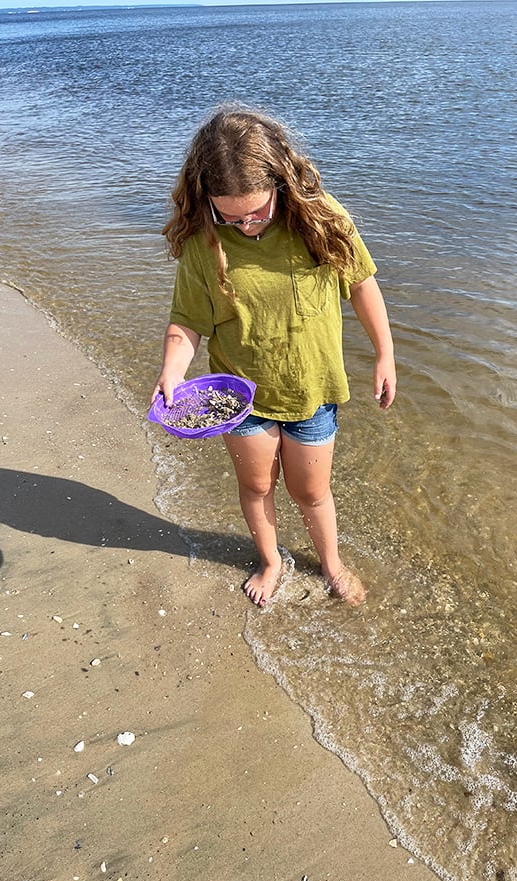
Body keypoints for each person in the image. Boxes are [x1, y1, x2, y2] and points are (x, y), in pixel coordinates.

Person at [151, 104, 396, 607]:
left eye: (257, 211)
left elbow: (362, 284)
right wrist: (172, 370)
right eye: (230, 215)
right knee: (257, 483)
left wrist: (384, 354)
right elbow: (188, 321)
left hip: (310, 390)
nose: (245, 225)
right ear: (207, 198)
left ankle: (331, 564)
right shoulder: (204, 242)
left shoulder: (320, 219)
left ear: (281, 182)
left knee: (311, 492)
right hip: (236, 395)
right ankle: (271, 560)